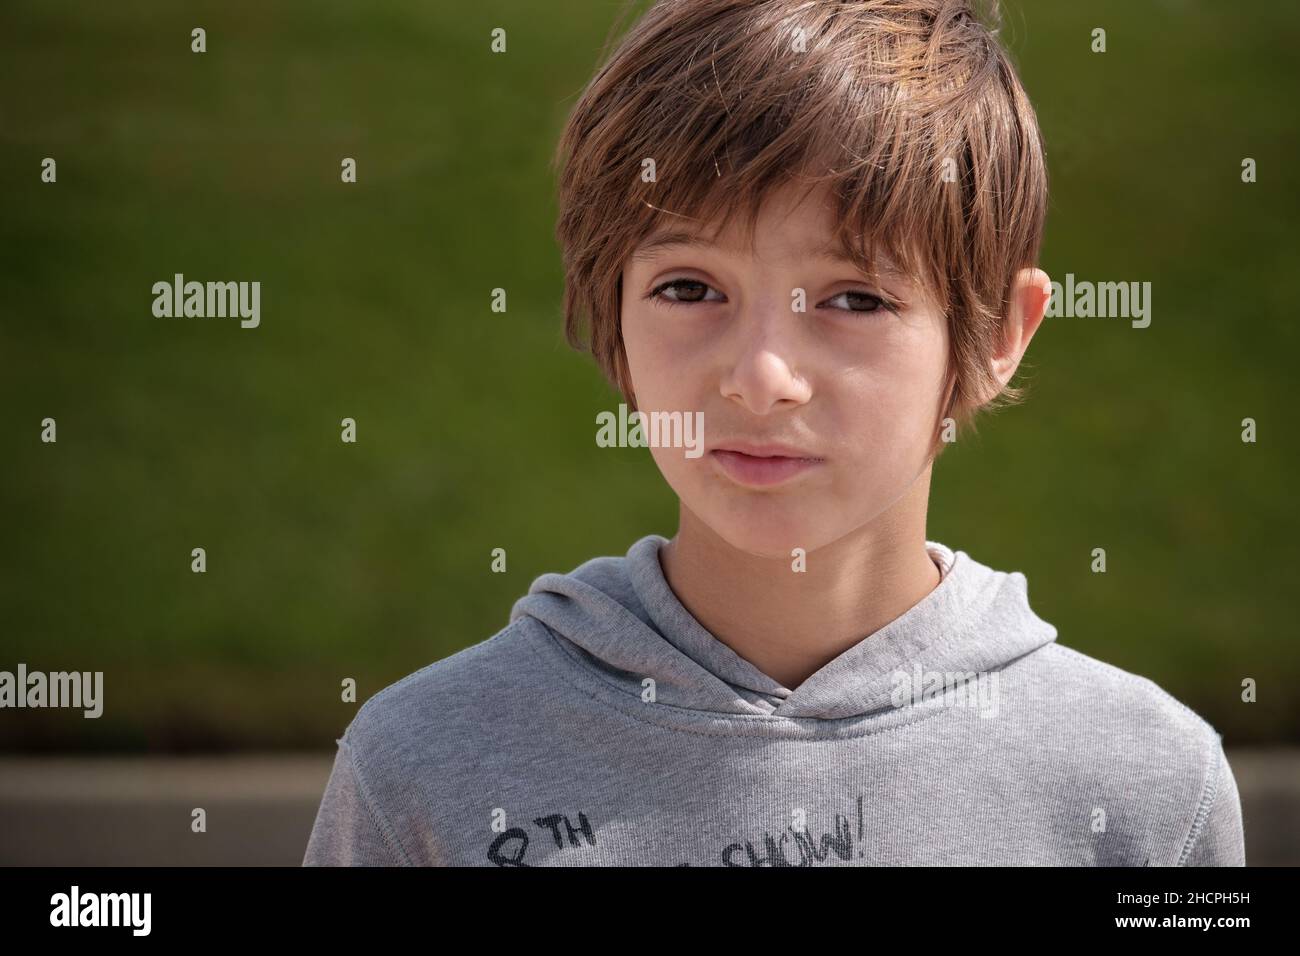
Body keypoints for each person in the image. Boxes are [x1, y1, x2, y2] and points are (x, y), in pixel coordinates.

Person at [304, 0, 1245, 866]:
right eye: (689, 288)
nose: (761, 378)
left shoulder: (1148, 789)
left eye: (854, 299)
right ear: (611, 308)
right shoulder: (419, 768)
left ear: (999, 332)